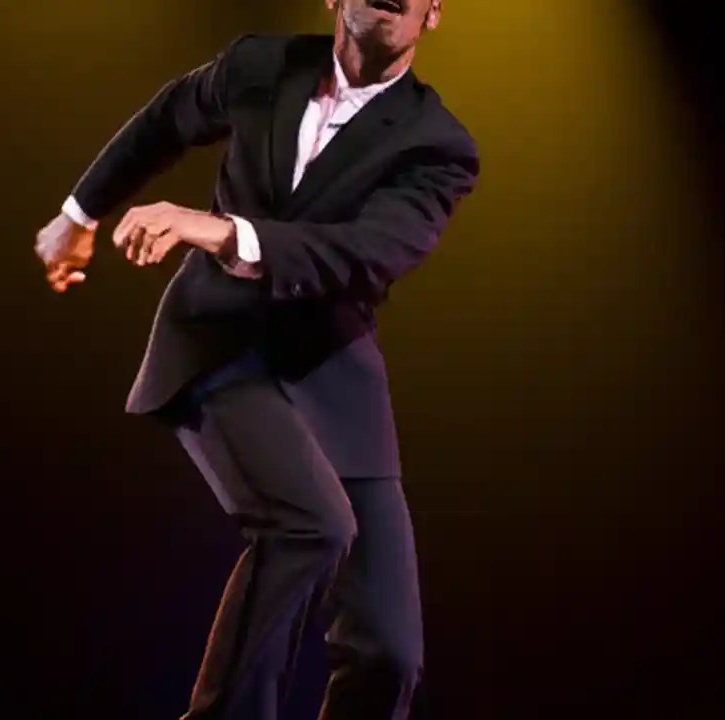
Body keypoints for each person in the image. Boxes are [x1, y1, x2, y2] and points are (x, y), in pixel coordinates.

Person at [33, 1, 478, 717]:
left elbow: (363, 254)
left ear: (434, 13)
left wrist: (216, 229)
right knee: (310, 524)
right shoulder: (261, 66)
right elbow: (167, 119)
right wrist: (77, 216)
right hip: (218, 346)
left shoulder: (437, 144)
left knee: (388, 649)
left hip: (333, 375)